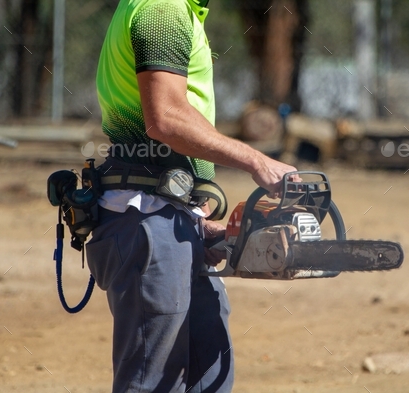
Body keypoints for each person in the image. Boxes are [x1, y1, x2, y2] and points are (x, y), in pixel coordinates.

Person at [88, 0, 299, 392]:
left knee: (209, 371)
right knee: (153, 381)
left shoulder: (178, 10)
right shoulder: (162, 9)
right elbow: (165, 117)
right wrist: (256, 161)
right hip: (148, 221)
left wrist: (196, 222)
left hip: (167, 216)